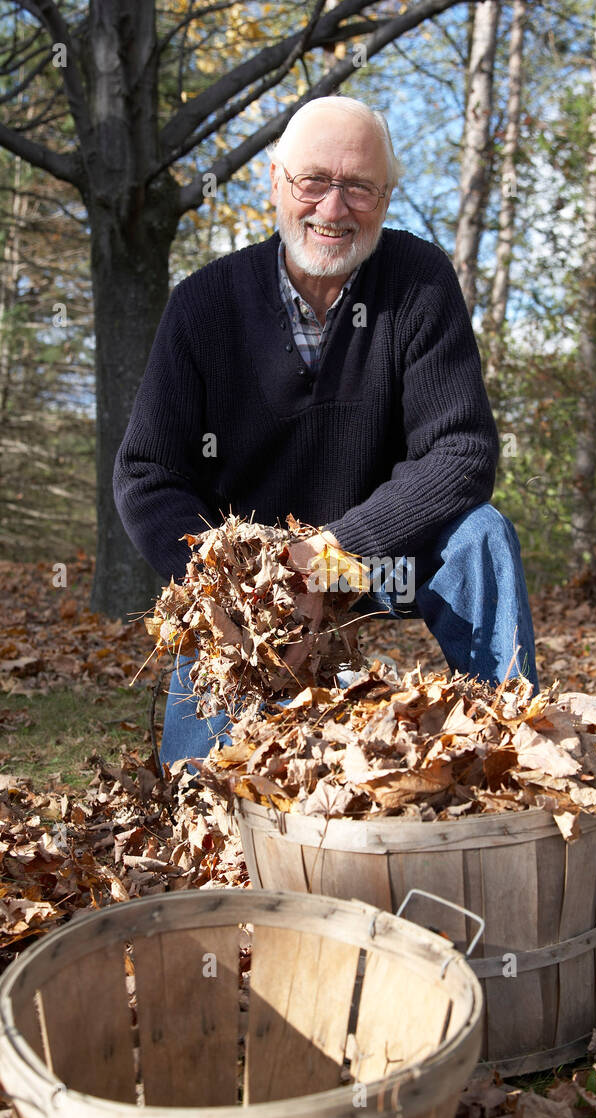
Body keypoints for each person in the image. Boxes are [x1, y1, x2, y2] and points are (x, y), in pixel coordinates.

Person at [113, 96, 539, 770]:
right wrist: (235, 588)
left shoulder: (419, 283)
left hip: (379, 558)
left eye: (358, 187)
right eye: (314, 181)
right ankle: (207, 792)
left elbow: (461, 453)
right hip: (253, 588)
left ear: (387, 196)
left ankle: (514, 746)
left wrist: (332, 557)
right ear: (276, 183)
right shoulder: (204, 304)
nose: (333, 209)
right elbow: (146, 474)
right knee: (195, 798)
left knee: (481, 534)